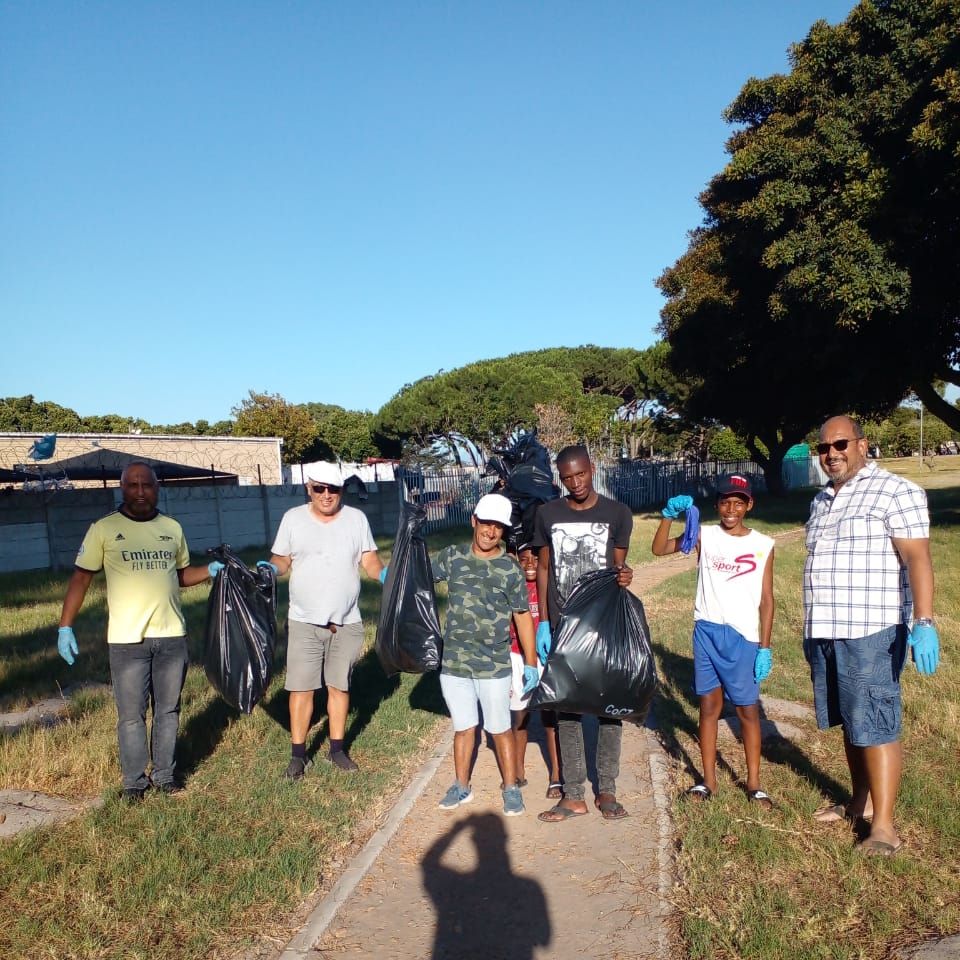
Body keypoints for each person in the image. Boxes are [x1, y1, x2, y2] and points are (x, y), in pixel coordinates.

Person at [804, 415, 939, 856]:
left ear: (862, 445)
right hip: (826, 629)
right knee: (850, 720)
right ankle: (858, 805)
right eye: (823, 448)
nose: (831, 454)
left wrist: (924, 622)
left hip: (872, 629)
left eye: (840, 444)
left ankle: (884, 828)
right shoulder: (822, 500)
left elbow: (917, 559)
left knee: (877, 723)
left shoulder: (896, 491)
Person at [55, 461, 221, 801]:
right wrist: (65, 626)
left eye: (147, 485)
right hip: (127, 641)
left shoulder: (172, 528)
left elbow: (180, 576)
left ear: (157, 489)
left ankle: (164, 776)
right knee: (131, 717)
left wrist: (210, 571)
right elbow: (81, 578)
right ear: (122, 489)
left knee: (168, 711)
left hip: (172, 637)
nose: (140, 491)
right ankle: (134, 782)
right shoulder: (103, 529)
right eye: (133, 485)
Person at [651, 476, 776, 807]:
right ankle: (708, 780)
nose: (730, 509)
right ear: (716, 504)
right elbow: (659, 549)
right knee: (708, 707)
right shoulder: (704, 536)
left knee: (748, 710)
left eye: (738, 503)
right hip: (706, 631)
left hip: (744, 638)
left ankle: (753, 783)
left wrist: (764, 646)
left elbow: (767, 598)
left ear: (749, 504)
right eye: (724, 502)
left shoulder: (763, 544)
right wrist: (667, 515)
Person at [533, 445, 634, 822]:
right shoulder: (548, 514)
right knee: (567, 710)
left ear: (592, 469)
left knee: (610, 709)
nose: (575, 483)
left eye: (581, 474)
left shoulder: (617, 514)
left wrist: (626, 576)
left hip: (604, 626)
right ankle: (573, 794)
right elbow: (544, 568)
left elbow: (619, 568)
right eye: (567, 477)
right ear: (560, 477)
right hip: (563, 626)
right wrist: (544, 621)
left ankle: (606, 789)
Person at [267, 461, 385, 778]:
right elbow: (282, 559)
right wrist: (269, 569)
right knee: (301, 690)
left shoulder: (356, 520)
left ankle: (336, 749)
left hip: (347, 622)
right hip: (304, 621)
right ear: (309, 488)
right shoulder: (293, 519)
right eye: (319, 488)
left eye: (333, 489)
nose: (326, 494)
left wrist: (386, 575)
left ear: (341, 490)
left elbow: (370, 560)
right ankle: (298, 755)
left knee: (339, 687)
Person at [431, 493, 538, 817]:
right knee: (463, 727)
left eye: (498, 527)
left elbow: (521, 615)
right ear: (473, 520)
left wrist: (530, 664)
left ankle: (510, 788)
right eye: (486, 523)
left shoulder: (509, 568)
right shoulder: (452, 557)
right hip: (455, 664)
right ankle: (461, 785)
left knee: (498, 727)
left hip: (493, 665)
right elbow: (419, 578)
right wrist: (389, 574)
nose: (490, 532)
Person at [507, 544, 562, 798]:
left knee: (551, 718)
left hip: (545, 656)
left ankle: (556, 776)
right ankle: (517, 770)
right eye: (523, 559)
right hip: (518, 658)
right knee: (520, 716)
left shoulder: (549, 586)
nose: (529, 564)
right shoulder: (511, 587)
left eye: (534, 558)